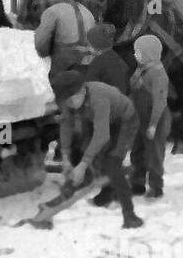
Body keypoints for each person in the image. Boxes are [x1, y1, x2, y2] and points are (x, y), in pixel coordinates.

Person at [54, 74, 142, 230]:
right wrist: (66, 157)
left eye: (72, 99)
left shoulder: (98, 98)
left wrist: (82, 165)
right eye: (67, 101)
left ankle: (130, 215)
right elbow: (66, 125)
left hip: (124, 121)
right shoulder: (70, 100)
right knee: (88, 152)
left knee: (113, 163)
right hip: (98, 119)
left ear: (82, 91)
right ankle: (107, 193)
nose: (70, 104)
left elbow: (102, 135)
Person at [128, 33, 171, 198]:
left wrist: (153, 125)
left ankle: (156, 186)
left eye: (138, 52)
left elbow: (160, 102)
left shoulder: (158, 74)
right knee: (137, 151)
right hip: (140, 118)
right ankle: (137, 182)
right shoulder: (142, 69)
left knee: (154, 153)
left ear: (148, 53)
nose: (135, 55)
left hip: (156, 119)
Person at [33, 0, 96, 94]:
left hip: (63, 66)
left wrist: (45, 52)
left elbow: (40, 44)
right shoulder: (87, 11)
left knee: (60, 95)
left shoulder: (52, 11)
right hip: (87, 64)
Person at [84, 23, 130, 94]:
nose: (87, 47)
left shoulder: (96, 64)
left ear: (97, 48)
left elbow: (90, 87)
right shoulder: (114, 56)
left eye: (89, 44)